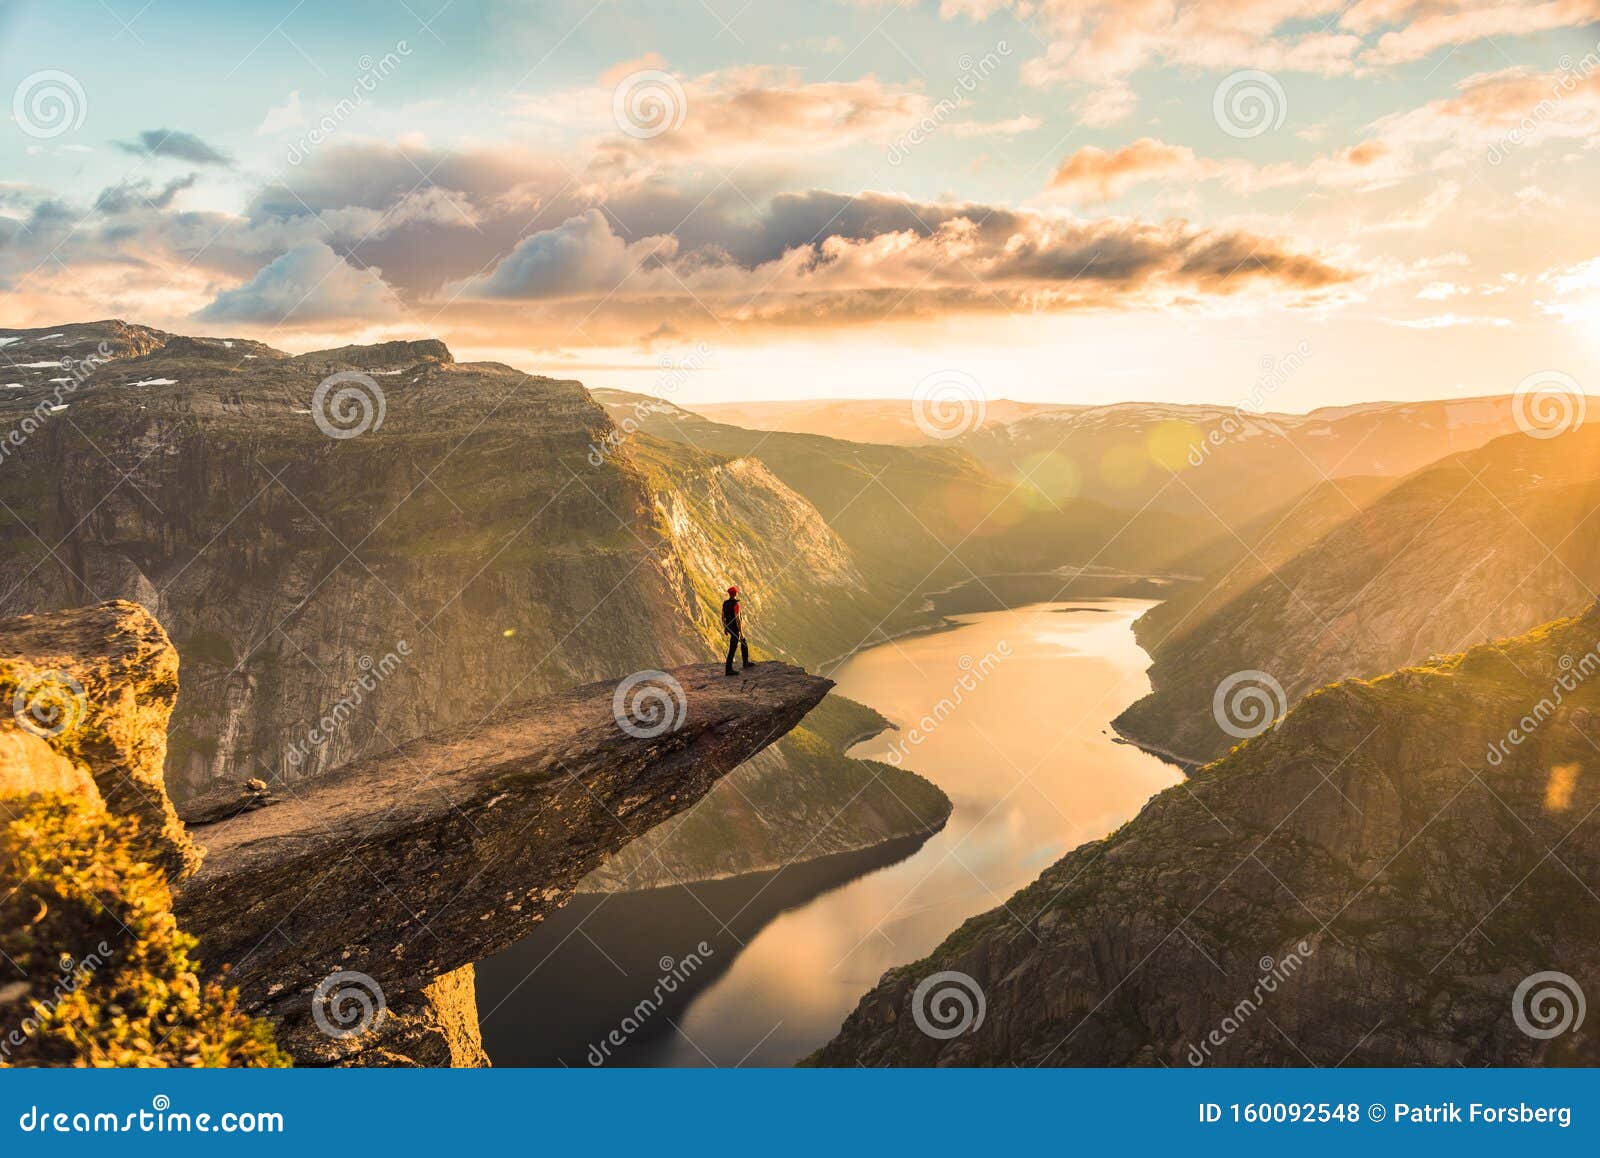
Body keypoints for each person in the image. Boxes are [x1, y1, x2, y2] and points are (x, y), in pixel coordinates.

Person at [722, 584, 751, 676]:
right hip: (735, 628)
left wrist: (725, 627)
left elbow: (722, 617)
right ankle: (729, 669)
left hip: (729, 627)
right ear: (735, 594)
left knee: (742, 642)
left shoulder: (725, 603)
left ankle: (745, 662)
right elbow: (737, 618)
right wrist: (741, 632)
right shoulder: (736, 604)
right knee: (733, 648)